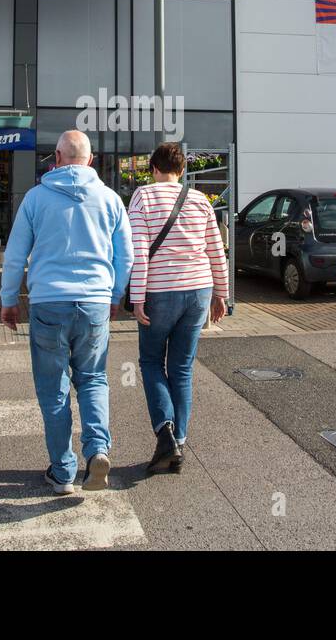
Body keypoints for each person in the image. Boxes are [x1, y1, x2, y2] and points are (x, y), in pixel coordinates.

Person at [0, 130, 133, 495]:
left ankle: (63, 472)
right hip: (93, 303)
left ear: (55, 158)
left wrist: (8, 299)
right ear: (90, 161)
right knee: (92, 379)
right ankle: (97, 451)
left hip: (48, 304)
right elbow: (126, 255)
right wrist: (115, 295)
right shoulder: (110, 200)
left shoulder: (35, 198)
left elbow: (15, 255)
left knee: (53, 389)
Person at [127, 143, 228, 475]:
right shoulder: (200, 200)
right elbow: (216, 250)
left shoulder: (143, 197)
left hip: (160, 292)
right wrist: (221, 295)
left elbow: (139, 251)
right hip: (199, 290)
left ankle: (165, 433)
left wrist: (137, 297)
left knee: (151, 361)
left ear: (153, 169)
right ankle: (179, 441)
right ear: (182, 171)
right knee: (182, 368)